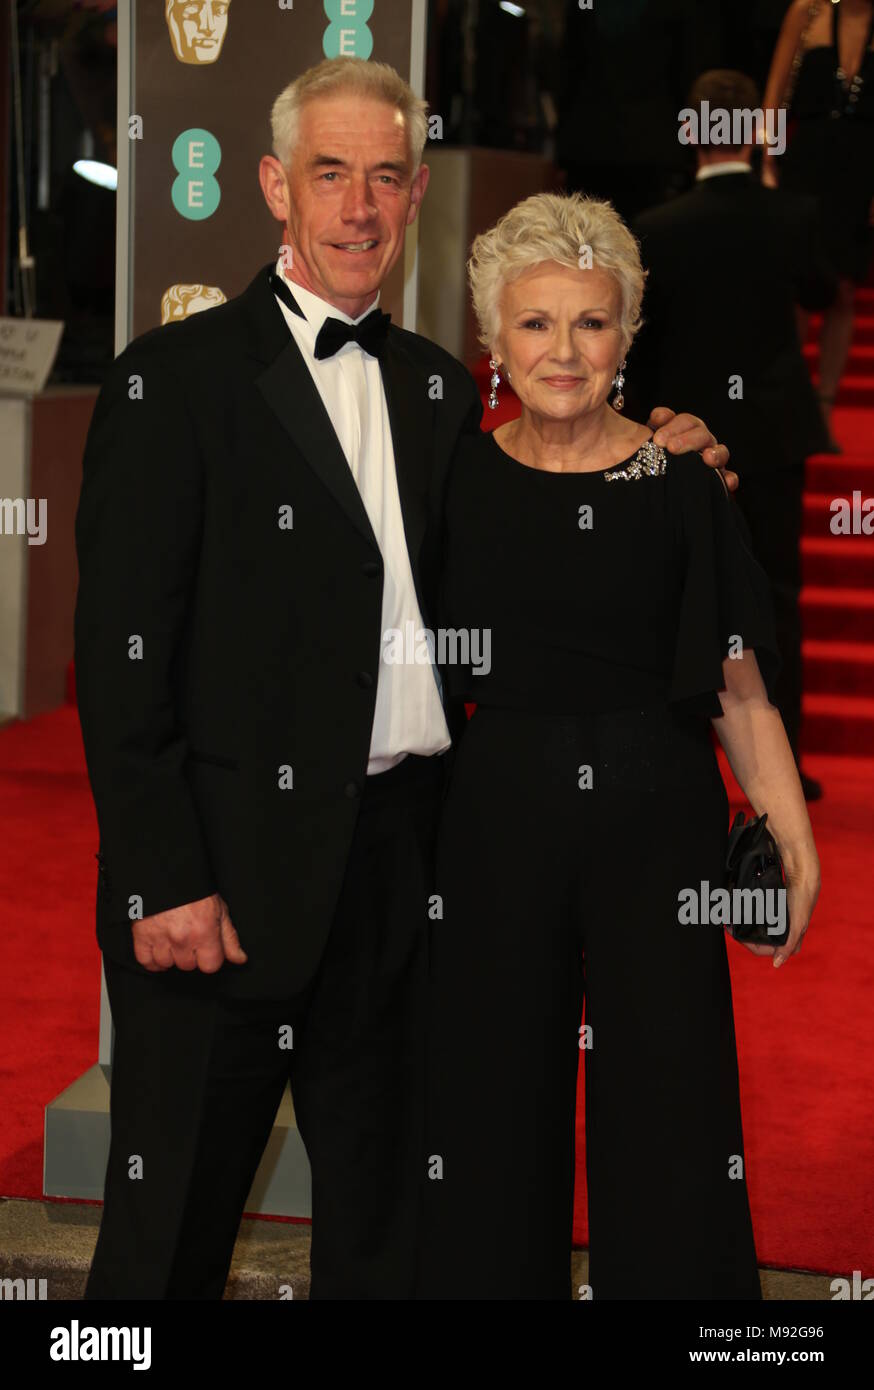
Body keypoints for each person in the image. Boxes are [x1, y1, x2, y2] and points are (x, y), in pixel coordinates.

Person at [75, 56, 730, 1301]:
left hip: (404, 875)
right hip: (224, 875)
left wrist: (666, 458)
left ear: (418, 190)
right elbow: (120, 658)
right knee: (164, 1240)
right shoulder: (179, 380)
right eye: (331, 175)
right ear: (275, 186)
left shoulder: (438, 388)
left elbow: (546, 521)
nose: (360, 208)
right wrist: (166, 877)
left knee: (389, 1235)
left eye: (385, 178)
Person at [418, 192, 821, 1301]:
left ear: (626, 336)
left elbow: (738, 680)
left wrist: (787, 827)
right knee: (492, 1099)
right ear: (494, 340)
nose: (563, 349)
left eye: (590, 322)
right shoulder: (450, 483)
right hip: (494, 816)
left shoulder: (682, 481)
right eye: (536, 323)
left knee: (675, 1099)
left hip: (660, 816)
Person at [627, 68, 837, 800]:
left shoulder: (655, 229)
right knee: (779, 593)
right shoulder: (793, 216)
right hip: (774, 435)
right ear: (755, 133)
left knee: (671, 593)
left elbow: (640, 354)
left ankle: (668, 752)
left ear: (692, 133)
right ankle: (789, 766)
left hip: (680, 439)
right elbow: (822, 294)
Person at [762, 0, 874, 448]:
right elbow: (775, 91)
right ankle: (786, 405)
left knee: (844, 287)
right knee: (796, 291)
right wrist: (766, 160)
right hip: (805, 164)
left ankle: (825, 408)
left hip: (862, 169)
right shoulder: (806, 12)